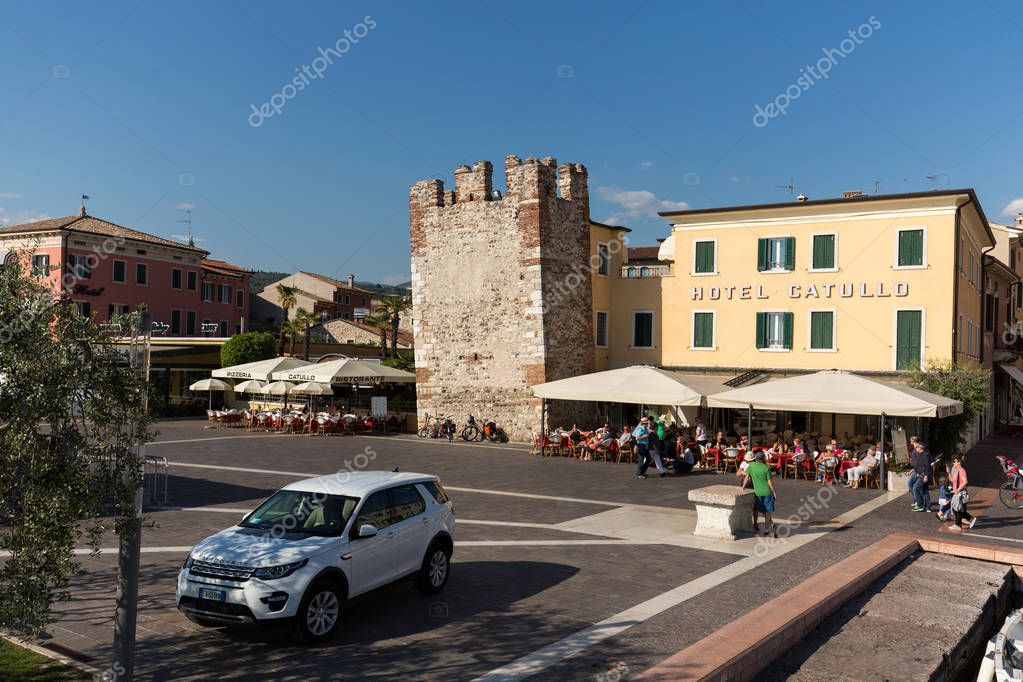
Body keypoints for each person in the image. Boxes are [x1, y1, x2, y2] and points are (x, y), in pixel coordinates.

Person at [740, 451, 778, 537]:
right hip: (767, 492)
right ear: (763, 458)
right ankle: (767, 528)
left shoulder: (751, 466)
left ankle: (770, 526)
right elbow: (770, 482)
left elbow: (746, 477)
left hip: (758, 493)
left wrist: (743, 487)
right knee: (767, 511)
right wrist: (774, 492)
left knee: (763, 511)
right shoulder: (766, 467)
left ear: (756, 459)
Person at [948, 452, 976, 531]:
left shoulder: (962, 471)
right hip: (957, 493)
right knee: (957, 509)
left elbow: (965, 481)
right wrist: (948, 473)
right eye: (952, 461)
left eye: (954, 461)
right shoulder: (957, 470)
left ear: (958, 462)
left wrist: (958, 489)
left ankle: (960, 524)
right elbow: (953, 481)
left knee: (958, 509)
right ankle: (966, 521)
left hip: (960, 493)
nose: (953, 463)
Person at [910, 441, 932, 512]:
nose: (916, 448)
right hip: (920, 473)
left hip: (924, 474)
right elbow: (919, 465)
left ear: (921, 448)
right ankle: (928, 507)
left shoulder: (925, 455)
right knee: (924, 490)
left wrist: (926, 476)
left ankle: (920, 505)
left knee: (915, 488)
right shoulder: (920, 454)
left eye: (917, 447)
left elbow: (927, 466)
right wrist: (917, 472)